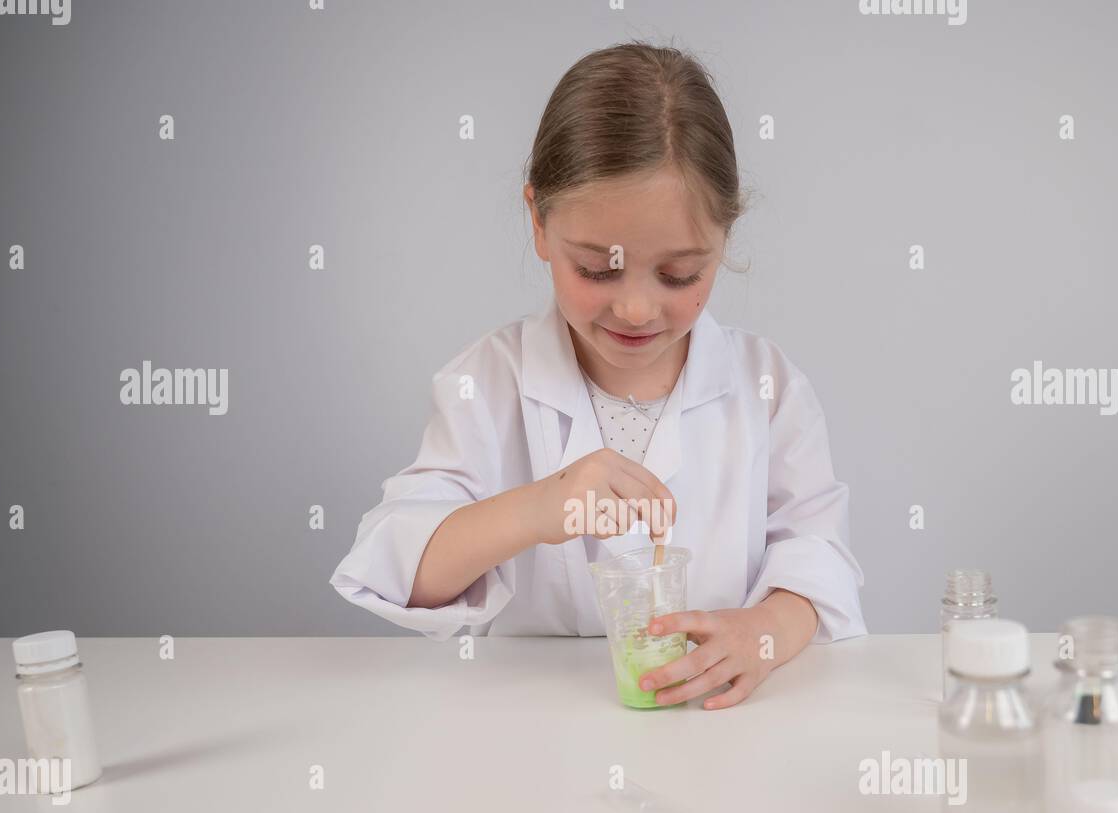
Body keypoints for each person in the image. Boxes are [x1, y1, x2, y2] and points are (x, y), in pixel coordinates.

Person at [330, 41, 867, 709]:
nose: (637, 308)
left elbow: (818, 560)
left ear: (724, 239)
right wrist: (539, 507)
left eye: (680, 274)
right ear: (538, 222)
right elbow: (400, 568)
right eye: (596, 269)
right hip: (525, 735)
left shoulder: (769, 388)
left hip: (715, 736)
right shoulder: (488, 383)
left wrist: (762, 632)